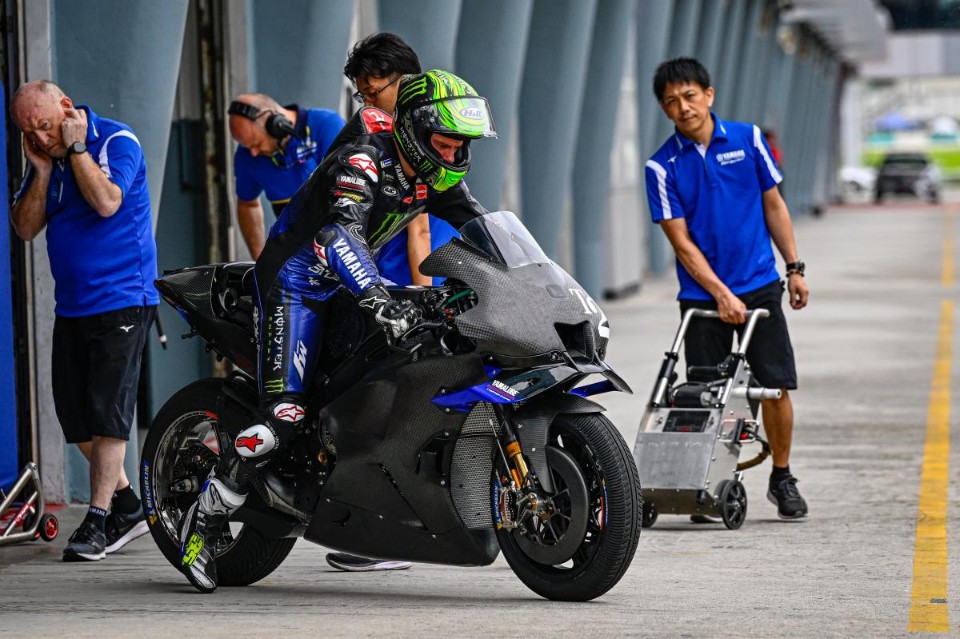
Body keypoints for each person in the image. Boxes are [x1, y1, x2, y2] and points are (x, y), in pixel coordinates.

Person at [178, 69, 497, 592]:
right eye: (445, 142)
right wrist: (379, 299)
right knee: (284, 416)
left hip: (354, 282)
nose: (454, 153)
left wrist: (530, 276)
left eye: (461, 145)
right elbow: (337, 235)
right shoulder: (362, 161)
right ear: (415, 131)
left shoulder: (433, 172)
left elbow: (483, 226)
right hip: (298, 285)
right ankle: (207, 512)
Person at [644, 58, 810, 520]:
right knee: (703, 393)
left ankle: (782, 477)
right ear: (664, 109)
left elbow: (774, 206)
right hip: (702, 298)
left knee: (775, 386)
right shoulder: (661, 166)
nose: (683, 107)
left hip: (759, 284)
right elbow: (681, 244)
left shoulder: (748, 139)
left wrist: (794, 268)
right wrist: (719, 293)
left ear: (708, 95)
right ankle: (706, 481)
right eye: (672, 101)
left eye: (690, 95)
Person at [10, 80, 159, 560]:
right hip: (72, 305)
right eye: (29, 132)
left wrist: (76, 149)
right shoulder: (45, 160)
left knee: (107, 414)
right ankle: (129, 507)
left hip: (122, 298)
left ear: (67, 107)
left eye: (45, 125)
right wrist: (39, 171)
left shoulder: (116, 140)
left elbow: (107, 201)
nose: (40, 137)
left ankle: (97, 520)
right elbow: (24, 227)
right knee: (75, 419)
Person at [344, 32, 460, 287]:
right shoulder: (428, 127)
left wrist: (422, 296)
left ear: (405, 82)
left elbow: (420, 231)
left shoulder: (410, 140)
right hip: (417, 277)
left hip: (415, 280)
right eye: (363, 96)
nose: (367, 105)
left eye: (373, 93)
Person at [228, 93, 345, 259]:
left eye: (257, 144)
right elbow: (248, 204)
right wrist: (259, 259)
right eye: (247, 146)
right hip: (298, 254)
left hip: (343, 242)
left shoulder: (326, 125)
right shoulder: (246, 156)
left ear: (276, 125)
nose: (253, 153)